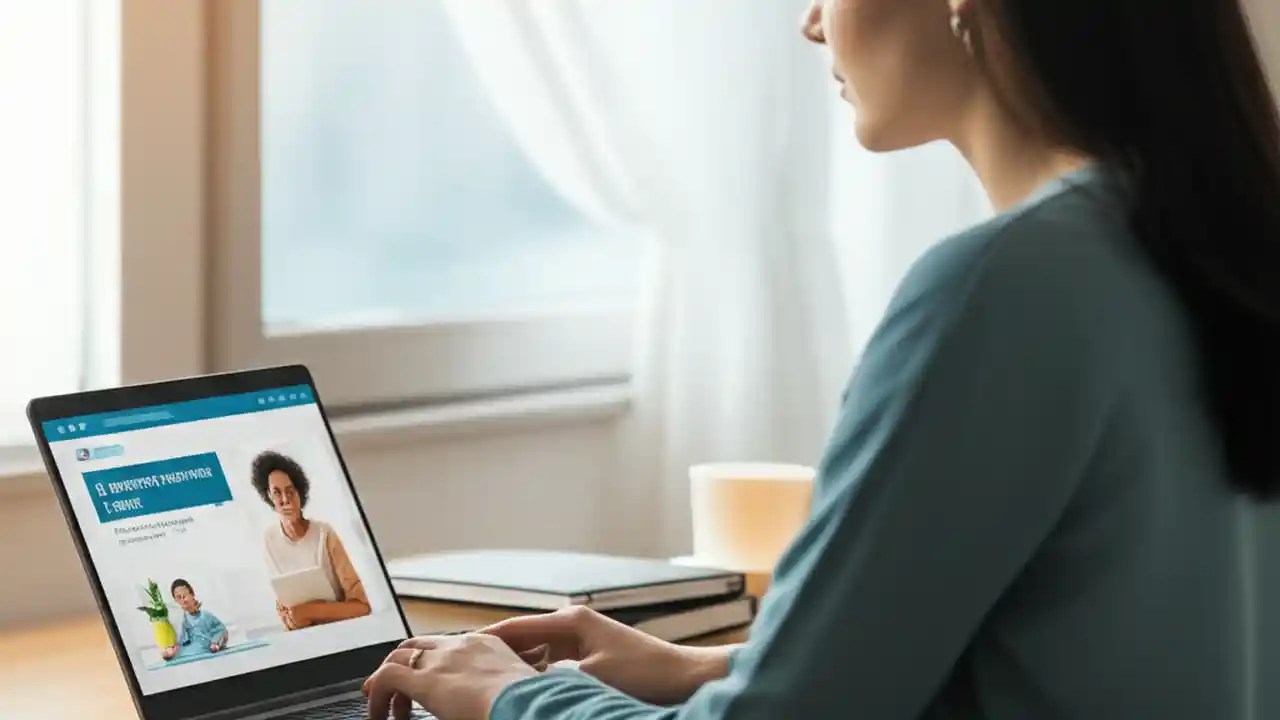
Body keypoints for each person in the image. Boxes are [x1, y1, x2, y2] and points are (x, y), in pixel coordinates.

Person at [364, 0, 1280, 718]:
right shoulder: (1209, 247)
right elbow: (1090, 644)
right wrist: (713, 665)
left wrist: (508, 692)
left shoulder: (1005, 286)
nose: (811, 22)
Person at [251, 450, 371, 630]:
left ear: (300, 493)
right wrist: (289, 616)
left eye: (290, 491)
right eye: (277, 493)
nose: (285, 500)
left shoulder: (324, 533)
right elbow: (285, 603)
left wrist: (309, 612)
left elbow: (361, 607)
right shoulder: (269, 538)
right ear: (268, 496)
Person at [162, 579, 228, 661]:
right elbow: (173, 645)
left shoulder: (205, 616)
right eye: (179, 597)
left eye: (185, 595)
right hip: (184, 660)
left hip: (206, 657)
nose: (183, 599)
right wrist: (168, 654)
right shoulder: (177, 623)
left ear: (192, 594)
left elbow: (222, 630)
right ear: (175, 600)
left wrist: (215, 644)